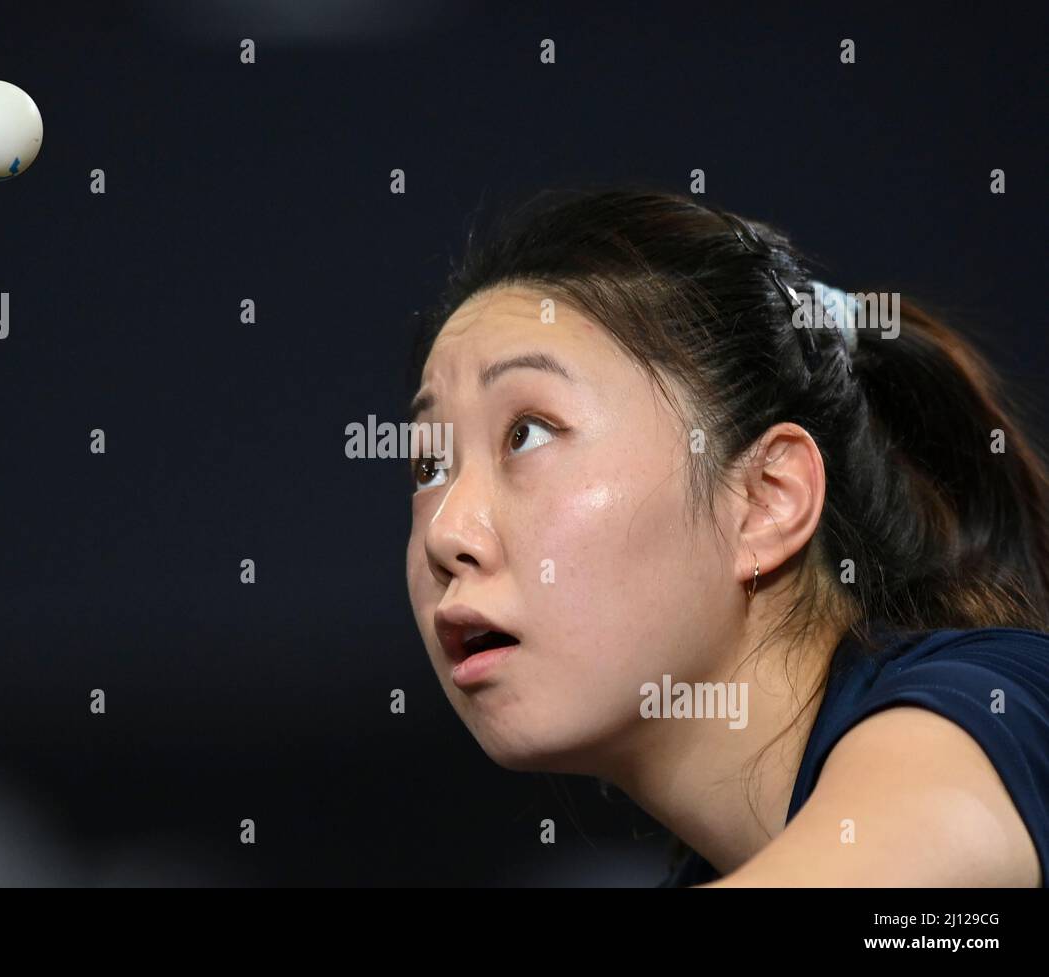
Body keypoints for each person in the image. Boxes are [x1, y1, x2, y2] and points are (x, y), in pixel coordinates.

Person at [403, 186, 1049, 886]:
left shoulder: (997, 699)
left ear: (767, 499)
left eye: (526, 433)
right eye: (430, 463)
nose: (446, 531)